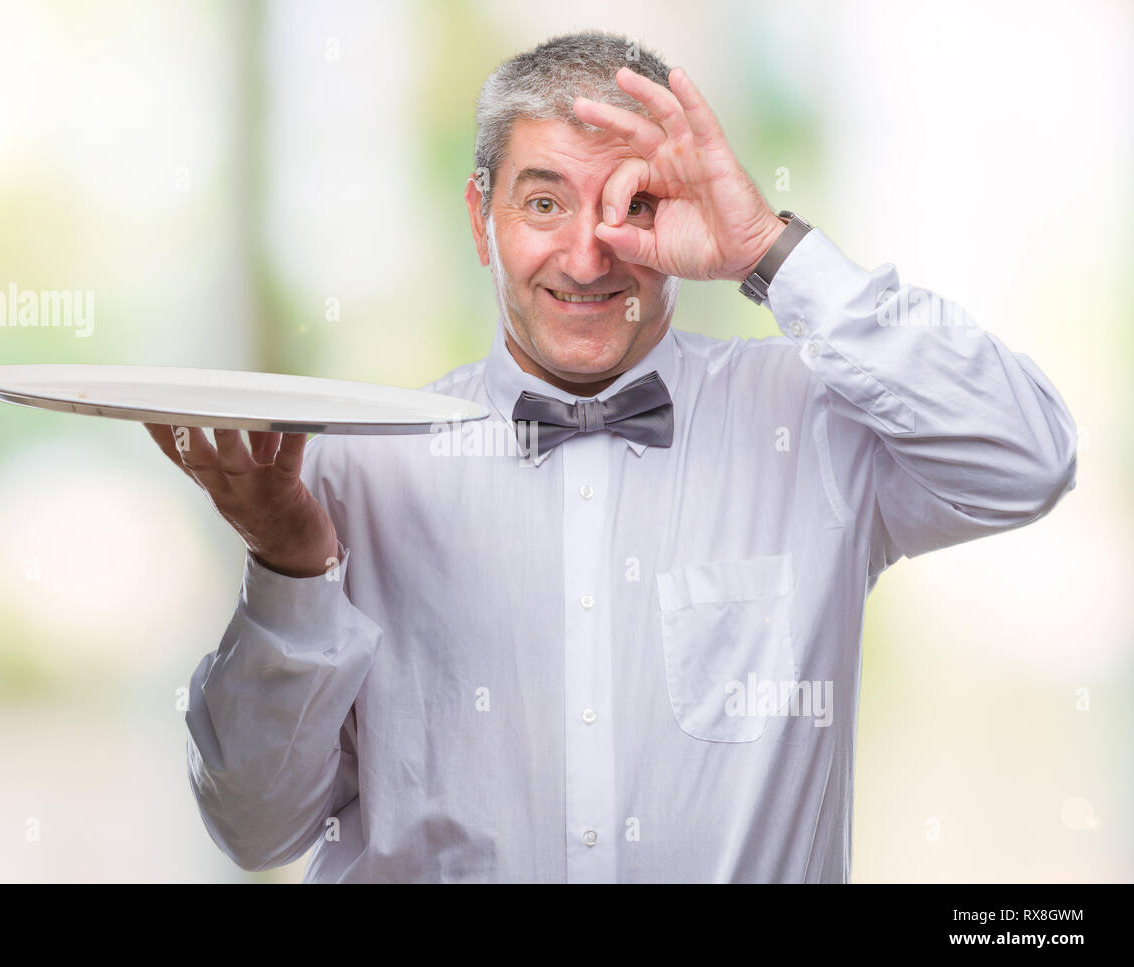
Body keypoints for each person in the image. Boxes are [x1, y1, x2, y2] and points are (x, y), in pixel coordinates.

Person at [146, 30, 1077, 882]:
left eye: (632, 203)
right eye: (543, 201)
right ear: (482, 220)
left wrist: (766, 249)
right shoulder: (363, 468)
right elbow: (253, 829)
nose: (587, 257)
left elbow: (1029, 457)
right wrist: (287, 567)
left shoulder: (818, 422)